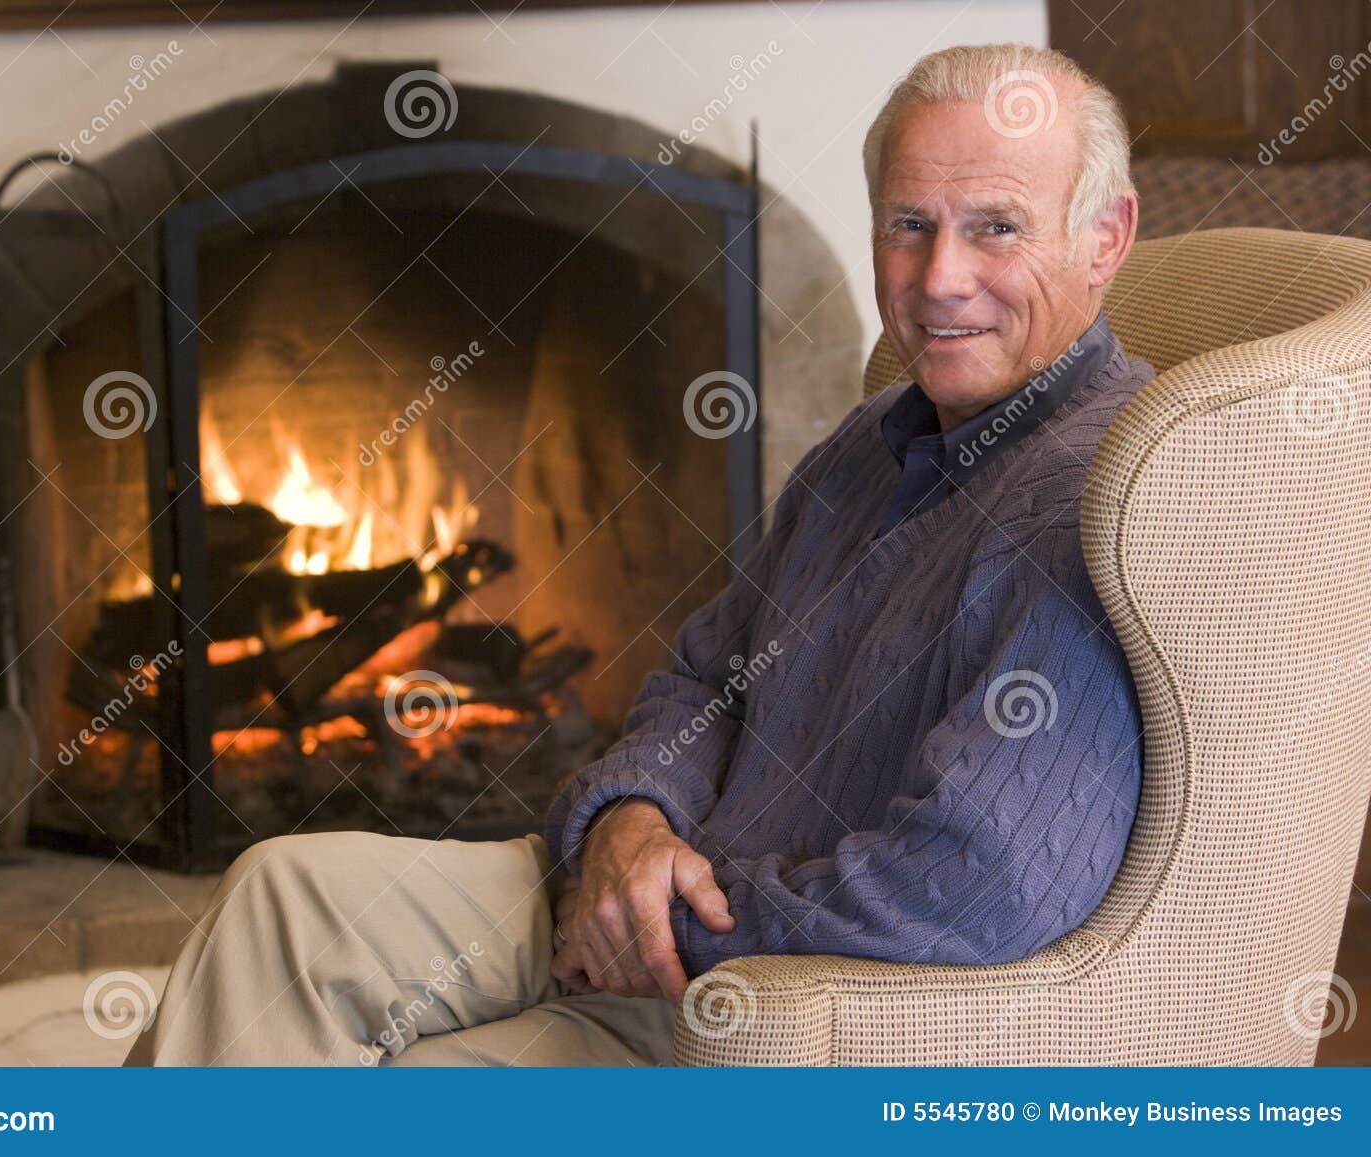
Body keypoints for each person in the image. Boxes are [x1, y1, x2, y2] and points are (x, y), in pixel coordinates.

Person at [125, 40, 1152, 1067]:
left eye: (995, 229)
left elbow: (975, 883)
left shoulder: (1110, 491)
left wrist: (662, 915)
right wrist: (626, 822)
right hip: (659, 888)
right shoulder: (869, 442)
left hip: (768, 980)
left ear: (1103, 237)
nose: (939, 279)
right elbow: (705, 675)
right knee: (281, 896)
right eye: (909, 226)